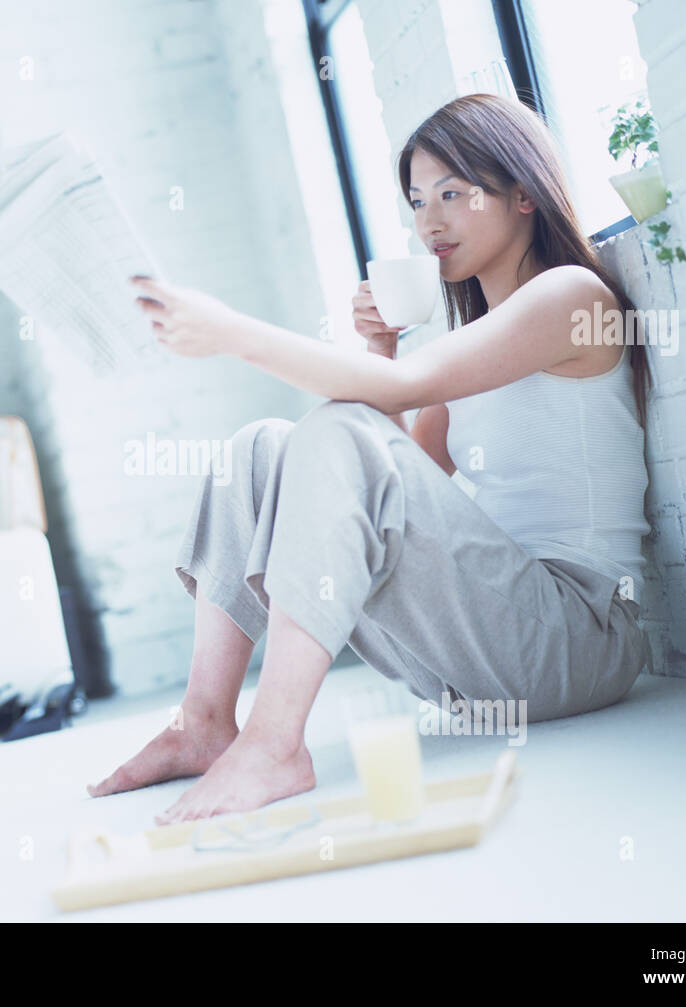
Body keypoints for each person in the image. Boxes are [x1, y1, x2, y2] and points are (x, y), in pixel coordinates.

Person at [88, 93, 652, 825]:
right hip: (481, 647)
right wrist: (380, 352)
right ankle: (204, 723)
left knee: (336, 429)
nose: (429, 222)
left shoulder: (571, 297)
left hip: (576, 640)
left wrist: (232, 332)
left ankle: (274, 744)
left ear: (521, 194)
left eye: (453, 192)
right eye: (418, 200)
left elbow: (369, 441)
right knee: (257, 451)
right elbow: (397, 493)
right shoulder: (474, 344)